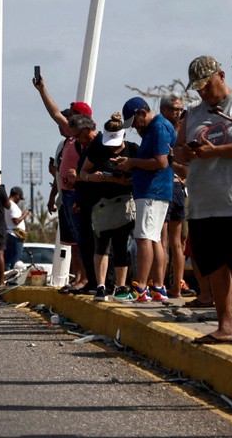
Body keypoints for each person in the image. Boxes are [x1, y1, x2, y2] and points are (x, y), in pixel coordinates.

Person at [178, 55, 232, 347]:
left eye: (207, 86)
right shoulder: (192, 113)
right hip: (204, 203)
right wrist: (186, 153)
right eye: (199, 88)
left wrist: (216, 151)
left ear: (221, 76)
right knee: (214, 266)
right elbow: (177, 150)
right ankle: (224, 325)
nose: (204, 92)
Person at [32, 75, 92, 291]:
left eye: (73, 114)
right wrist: (42, 90)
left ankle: (85, 278)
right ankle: (78, 277)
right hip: (66, 194)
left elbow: (57, 115)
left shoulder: (83, 138)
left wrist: (42, 90)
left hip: (77, 193)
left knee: (81, 239)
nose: (67, 118)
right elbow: (55, 114)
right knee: (74, 241)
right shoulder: (69, 138)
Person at [115, 97, 176, 302]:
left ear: (142, 113)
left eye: (134, 122)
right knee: (154, 238)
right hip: (154, 190)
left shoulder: (158, 128)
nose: (134, 127)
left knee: (143, 238)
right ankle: (158, 287)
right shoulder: (155, 128)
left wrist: (132, 162)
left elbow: (161, 162)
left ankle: (141, 287)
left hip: (153, 192)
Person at [75, 112, 139, 301]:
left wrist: (125, 180)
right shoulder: (98, 149)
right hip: (102, 203)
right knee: (101, 245)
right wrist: (92, 177)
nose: (112, 148)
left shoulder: (133, 150)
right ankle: (101, 286)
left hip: (123, 203)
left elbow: (142, 175)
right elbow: (83, 172)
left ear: (124, 137)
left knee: (121, 247)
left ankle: (120, 287)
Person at [159, 93, 193, 298]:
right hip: (170, 187)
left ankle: (174, 285)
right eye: (175, 109)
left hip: (179, 189)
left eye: (181, 110)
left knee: (178, 242)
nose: (179, 113)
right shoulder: (164, 129)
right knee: (165, 241)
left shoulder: (183, 135)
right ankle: (161, 284)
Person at [4, 186, 30, 270]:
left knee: (7, 261)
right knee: (15, 261)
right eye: (20, 198)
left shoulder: (7, 204)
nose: (19, 200)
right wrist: (25, 214)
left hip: (10, 234)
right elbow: (16, 221)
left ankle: (6, 280)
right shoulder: (12, 205)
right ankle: (12, 281)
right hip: (15, 235)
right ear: (17, 195)